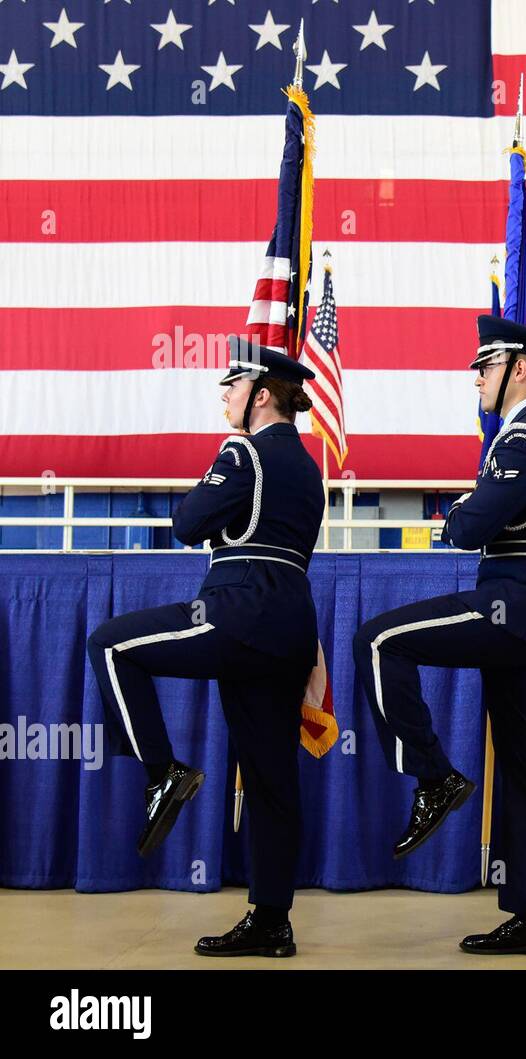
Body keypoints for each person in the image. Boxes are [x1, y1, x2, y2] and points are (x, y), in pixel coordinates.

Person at [87, 335, 324, 957]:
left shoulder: (242, 452)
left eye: (234, 385)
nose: (223, 393)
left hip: (239, 610)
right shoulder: (309, 467)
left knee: (112, 645)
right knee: (273, 779)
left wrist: (207, 502)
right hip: (293, 625)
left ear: (262, 395)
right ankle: (272, 920)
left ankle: (164, 771)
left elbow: (187, 523)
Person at [353, 315, 526, 957]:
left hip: (516, 605)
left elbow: (471, 525)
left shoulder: (525, 439)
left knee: (379, 640)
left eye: (486, 365)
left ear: (521, 369)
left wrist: (457, 511)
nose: (476, 376)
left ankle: (432, 777)